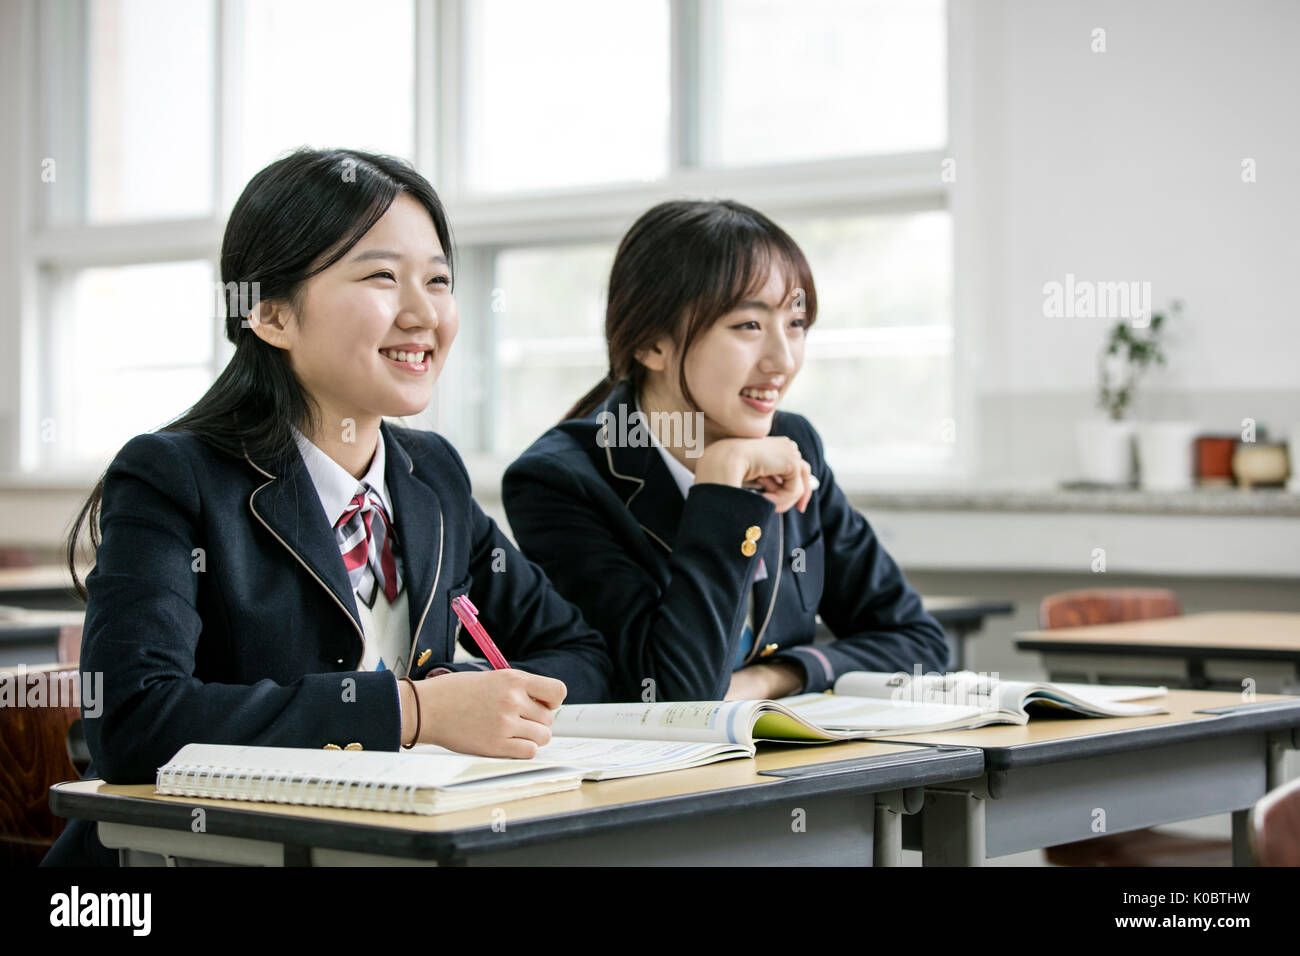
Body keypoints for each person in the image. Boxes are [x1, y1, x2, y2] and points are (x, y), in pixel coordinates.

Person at [43, 148, 609, 866]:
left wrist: (471, 698)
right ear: (270, 314)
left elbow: (580, 653)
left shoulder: (429, 475)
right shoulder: (172, 475)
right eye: (380, 277)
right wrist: (413, 712)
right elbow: (134, 721)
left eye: (438, 280)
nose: (422, 312)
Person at [503, 199, 947, 704]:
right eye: (749, 326)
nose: (782, 359)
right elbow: (672, 694)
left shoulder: (795, 444)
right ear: (652, 344)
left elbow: (920, 644)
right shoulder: (560, 481)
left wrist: (777, 677)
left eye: (795, 324)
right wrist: (720, 489)